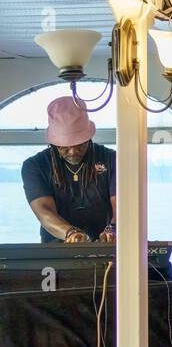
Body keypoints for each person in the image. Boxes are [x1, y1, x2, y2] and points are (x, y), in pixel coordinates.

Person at [22, 97, 116, 243]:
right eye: (64, 146)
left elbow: (121, 205)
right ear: (53, 143)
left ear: (89, 138)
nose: (72, 152)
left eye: (79, 144)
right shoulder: (35, 166)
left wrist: (113, 228)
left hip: (106, 247)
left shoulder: (112, 159)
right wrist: (70, 233)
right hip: (56, 250)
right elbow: (44, 210)